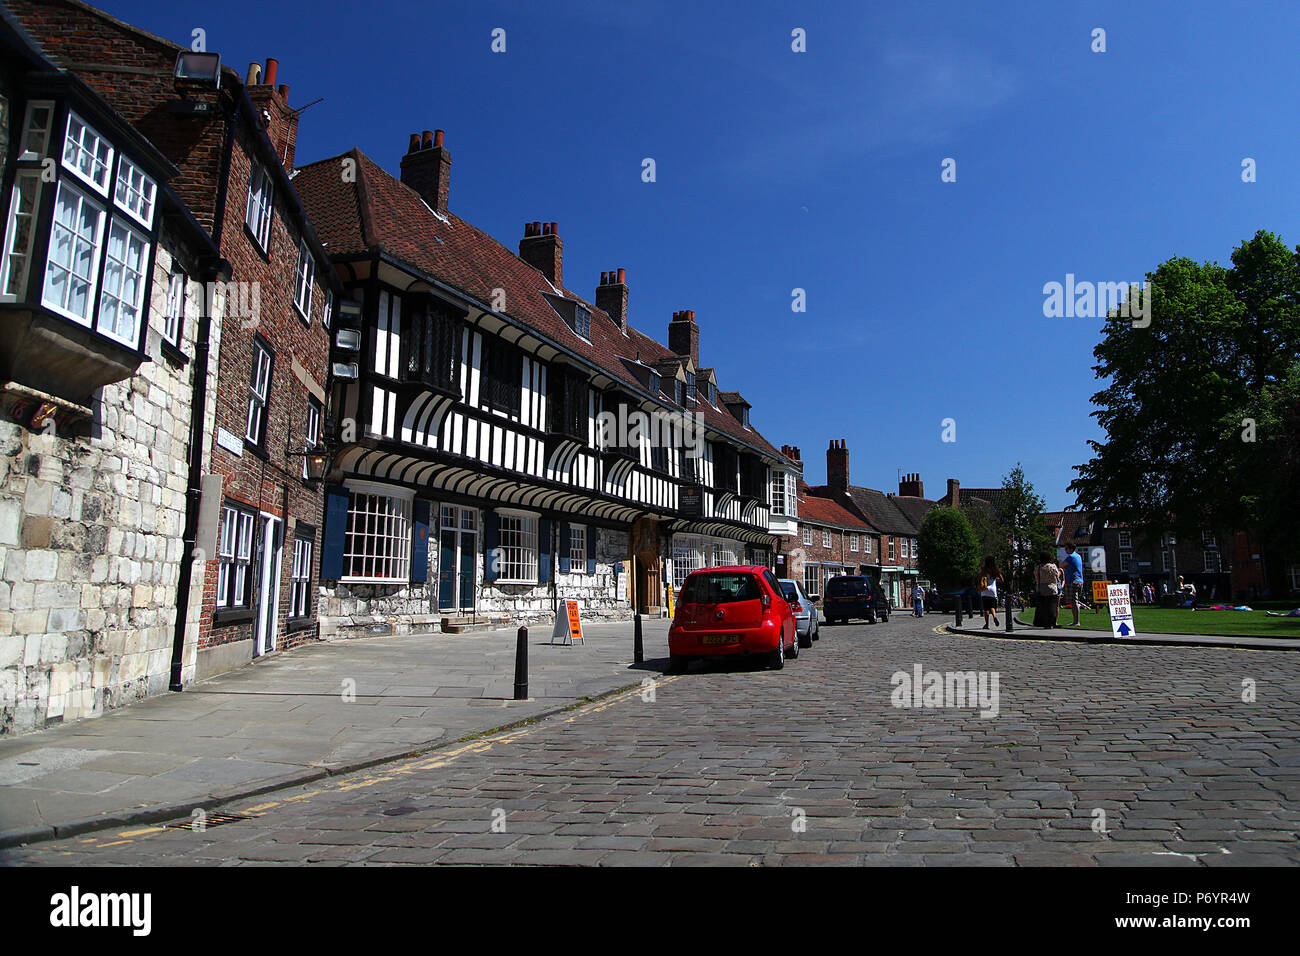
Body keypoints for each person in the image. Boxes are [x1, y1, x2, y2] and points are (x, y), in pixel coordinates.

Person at [1060, 544, 1091, 627]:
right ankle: (1076, 620)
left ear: (1070, 549)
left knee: (1074, 602)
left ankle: (1076, 621)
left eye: (1066, 548)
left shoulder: (1071, 557)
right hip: (1079, 580)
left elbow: (1061, 565)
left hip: (1073, 581)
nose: (1065, 550)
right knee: (1075, 601)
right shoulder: (1078, 556)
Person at [1032, 551, 1061, 628]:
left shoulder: (1038, 568)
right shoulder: (1052, 567)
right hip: (1052, 588)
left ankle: (1043, 622)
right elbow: (1057, 576)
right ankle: (1051, 622)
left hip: (1041, 588)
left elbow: (1036, 578)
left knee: (1043, 607)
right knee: (1052, 606)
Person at [978, 556, 1004, 629]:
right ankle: (994, 616)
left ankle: (987, 624)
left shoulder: (984, 570)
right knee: (992, 606)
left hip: (985, 590)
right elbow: (1002, 580)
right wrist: (995, 579)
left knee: (986, 608)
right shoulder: (996, 570)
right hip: (993, 590)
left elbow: (980, 576)